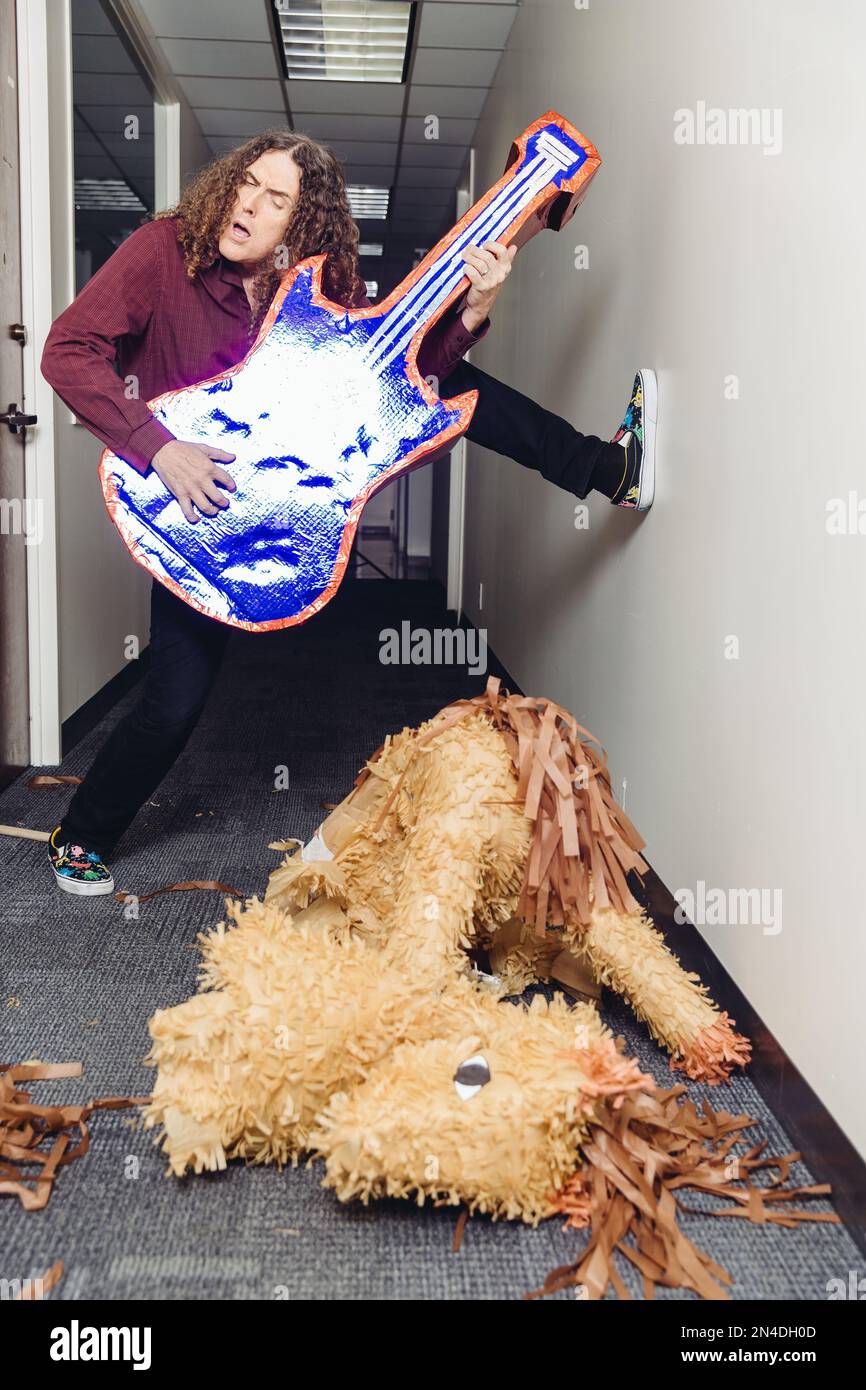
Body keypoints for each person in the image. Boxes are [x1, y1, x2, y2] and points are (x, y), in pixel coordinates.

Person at [40, 129, 657, 896]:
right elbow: (68, 350)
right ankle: (85, 832)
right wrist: (156, 447)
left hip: (300, 495)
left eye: (277, 199)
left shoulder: (318, 289)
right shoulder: (164, 250)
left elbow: (408, 385)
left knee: (459, 381)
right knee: (175, 697)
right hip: (194, 505)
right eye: (246, 184)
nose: (249, 206)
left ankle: (609, 467)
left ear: (303, 224)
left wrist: (476, 307)